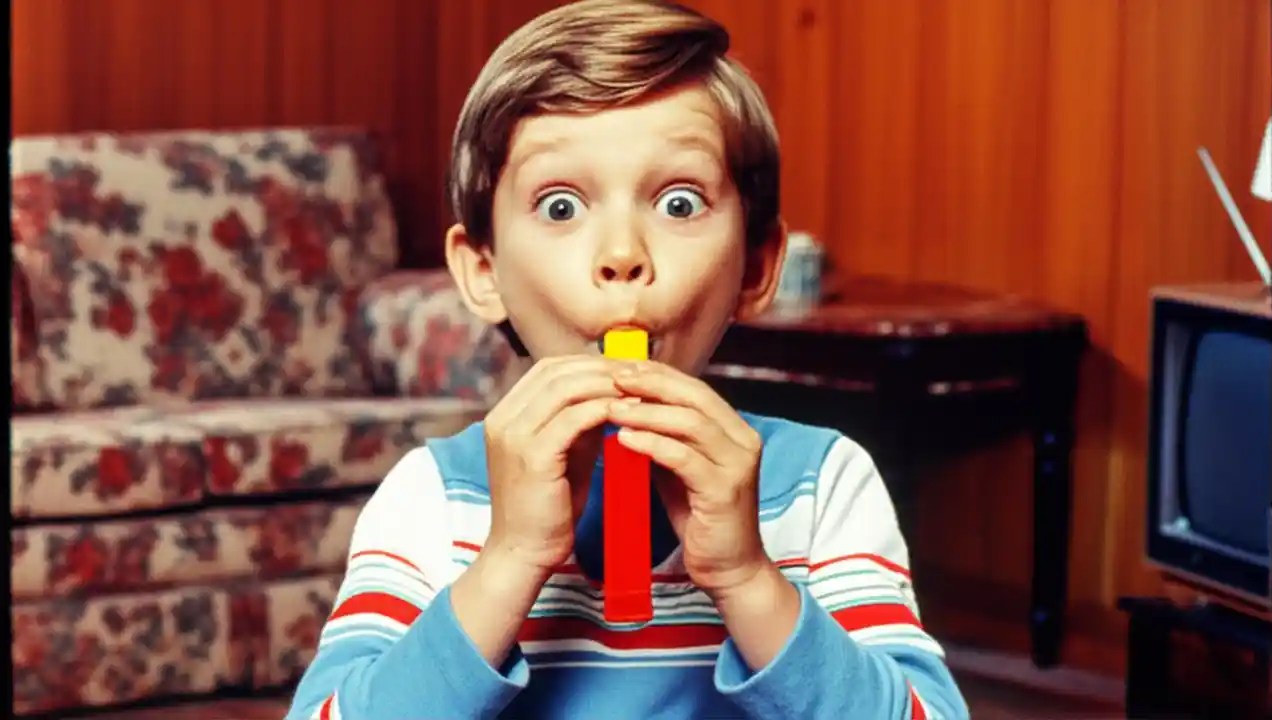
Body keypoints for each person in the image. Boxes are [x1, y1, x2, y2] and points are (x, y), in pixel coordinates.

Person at [286, 1, 968, 718]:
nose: (621, 256)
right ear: (483, 270)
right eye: (559, 206)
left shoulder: (821, 487)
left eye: (678, 203)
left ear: (757, 265)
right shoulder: (431, 499)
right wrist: (508, 560)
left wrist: (748, 579)